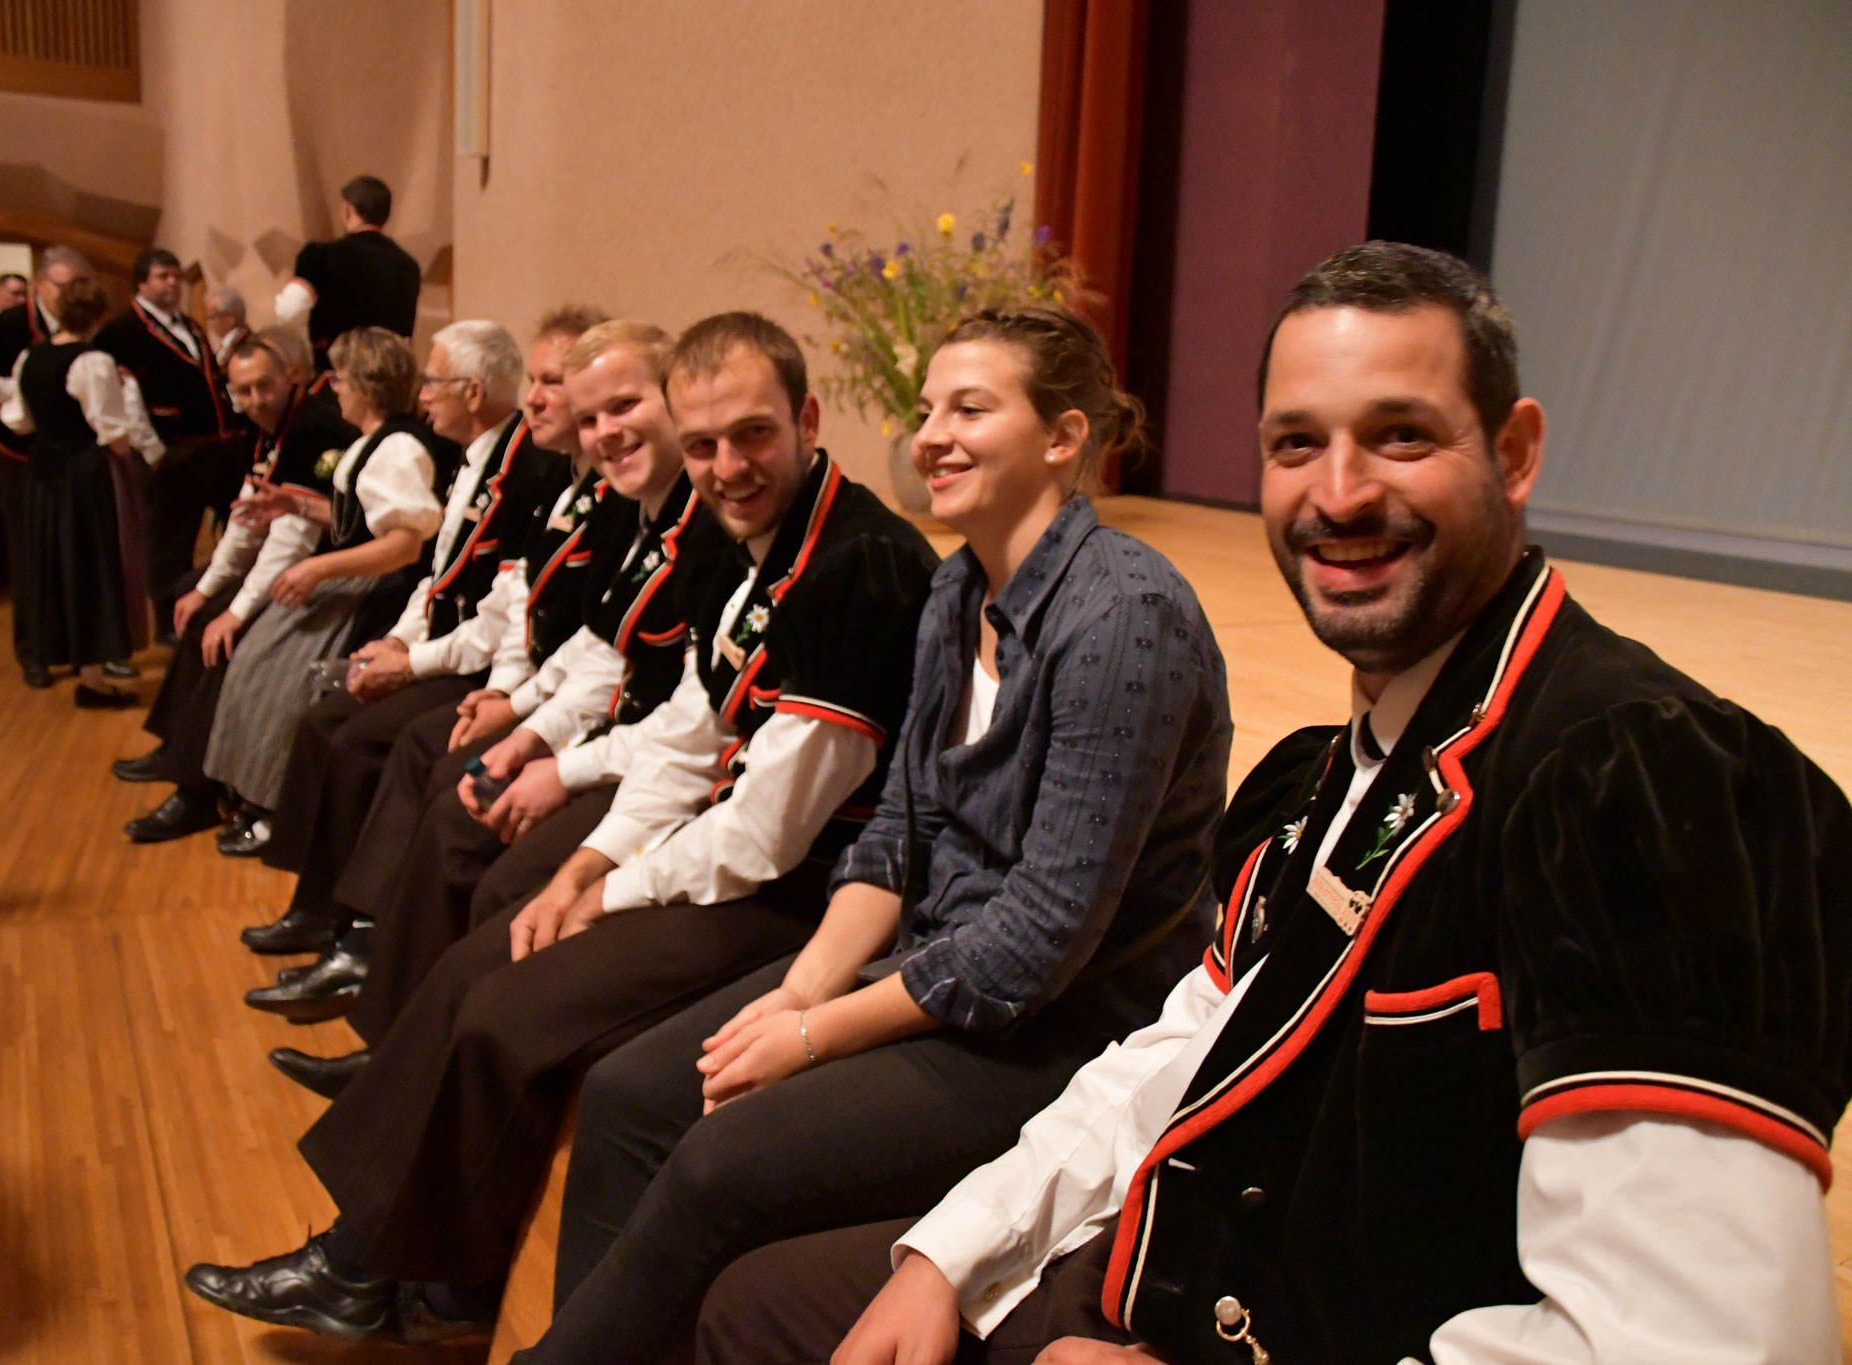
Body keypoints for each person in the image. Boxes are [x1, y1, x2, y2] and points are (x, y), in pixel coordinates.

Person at [698, 242, 1852, 1365]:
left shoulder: (1648, 782)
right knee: (755, 1305)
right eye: (1296, 444)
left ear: (1512, 454)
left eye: (1399, 436)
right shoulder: (1320, 774)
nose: (1337, 495)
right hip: (1152, 1275)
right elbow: (1183, 1047)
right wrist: (951, 1253)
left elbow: (1695, 1345)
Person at [181, 312, 940, 1345]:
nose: (727, 466)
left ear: (806, 420)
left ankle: (422, 1284)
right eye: (705, 443)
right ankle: (371, 1262)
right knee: (485, 955)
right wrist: (586, 863)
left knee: (511, 1008)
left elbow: (767, 833)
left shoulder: (859, 565)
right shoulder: (746, 535)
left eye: (753, 435)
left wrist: (609, 891)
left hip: (804, 894)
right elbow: (692, 729)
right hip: (729, 848)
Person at [521, 307, 1233, 1364]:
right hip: (934, 970)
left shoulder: (1125, 612)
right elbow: (898, 831)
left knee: (720, 1162)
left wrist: (815, 1034)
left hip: (1065, 1028)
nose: (930, 435)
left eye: (969, 409)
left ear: (1062, 436)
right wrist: (802, 990)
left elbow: (1037, 940)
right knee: (631, 1091)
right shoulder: (955, 588)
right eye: (927, 410)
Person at [249, 320, 709, 1032]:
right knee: (420, 770)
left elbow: (660, 702)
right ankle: (361, 954)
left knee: (448, 798)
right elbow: (564, 631)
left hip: (628, 754)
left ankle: (384, 987)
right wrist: (518, 713)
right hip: (575, 719)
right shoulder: (604, 497)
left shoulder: (672, 515)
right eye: (587, 410)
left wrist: (531, 727)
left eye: (618, 404)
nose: (539, 400)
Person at [234, 304, 606, 960]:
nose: (422, 394)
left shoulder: (540, 471)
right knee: (331, 721)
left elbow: (556, 633)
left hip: (526, 689)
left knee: (405, 756)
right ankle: (326, 910)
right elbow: (470, 587)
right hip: (502, 672)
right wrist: (405, 646)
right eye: (537, 381)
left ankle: (365, 939)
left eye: (555, 382)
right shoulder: (532, 470)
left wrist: (499, 695)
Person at [198, 326, 444, 854]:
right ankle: (254, 795)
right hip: (358, 576)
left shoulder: (399, 447)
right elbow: (361, 517)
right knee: (256, 661)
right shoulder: (377, 441)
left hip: (381, 590)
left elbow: (404, 544)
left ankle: (276, 811)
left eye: (342, 379)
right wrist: (295, 505)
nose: (334, 389)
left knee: (281, 680)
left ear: (368, 387)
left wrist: (320, 568)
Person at [117, 329, 358, 842]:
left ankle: (198, 789)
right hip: (293, 559)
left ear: (290, 378)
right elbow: (246, 519)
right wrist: (207, 589)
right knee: (191, 598)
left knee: (229, 634)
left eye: (264, 387)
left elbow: (291, 540)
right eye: (242, 391)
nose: (255, 400)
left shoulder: (315, 428)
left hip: (330, 569)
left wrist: (236, 610)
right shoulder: (263, 428)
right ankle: (177, 746)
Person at [0, 275, 161, 707]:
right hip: (83, 474)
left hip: (43, 474)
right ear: (97, 317)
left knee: (57, 563)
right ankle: (92, 678)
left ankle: (75, 662)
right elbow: (111, 431)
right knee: (92, 564)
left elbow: (19, 420)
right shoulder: (93, 361)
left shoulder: (30, 357)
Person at [0, 247, 89, 686]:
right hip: (19, 458)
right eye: (63, 286)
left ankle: (80, 648)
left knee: (75, 551)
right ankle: (34, 652)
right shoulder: (0, 329)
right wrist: (34, 385)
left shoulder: (86, 327)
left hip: (73, 457)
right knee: (30, 556)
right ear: (41, 286)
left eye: (79, 285)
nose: (72, 295)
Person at [95, 247, 243, 640]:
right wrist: (154, 452)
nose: (173, 283)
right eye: (163, 276)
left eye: (176, 276)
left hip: (214, 447)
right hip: (171, 450)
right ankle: (168, 622)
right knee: (170, 542)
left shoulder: (190, 326)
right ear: (142, 283)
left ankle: (227, 604)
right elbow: (123, 397)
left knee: (239, 524)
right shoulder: (122, 332)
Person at [276, 175, 421, 372]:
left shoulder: (321, 255)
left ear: (348, 210)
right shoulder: (408, 265)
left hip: (336, 372)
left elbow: (290, 309)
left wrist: (306, 355)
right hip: (389, 374)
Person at [204, 286, 251, 369]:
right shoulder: (226, 346)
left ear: (230, 318)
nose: (209, 322)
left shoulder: (245, 345)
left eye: (212, 316)